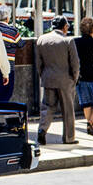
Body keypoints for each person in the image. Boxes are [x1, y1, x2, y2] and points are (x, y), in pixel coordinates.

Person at [35, 15, 80, 145]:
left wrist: (43, 75)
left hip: (48, 78)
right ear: (65, 26)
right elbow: (75, 63)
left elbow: (39, 63)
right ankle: (68, 138)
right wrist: (74, 78)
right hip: (66, 80)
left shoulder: (41, 40)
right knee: (68, 110)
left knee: (47, 107)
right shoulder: (68, 41)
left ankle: (42, 131)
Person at [0, 6, 20, 101]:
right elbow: (20, 44)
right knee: (6, 94)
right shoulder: (13, 31)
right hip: (9, 66)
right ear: (8, 18)